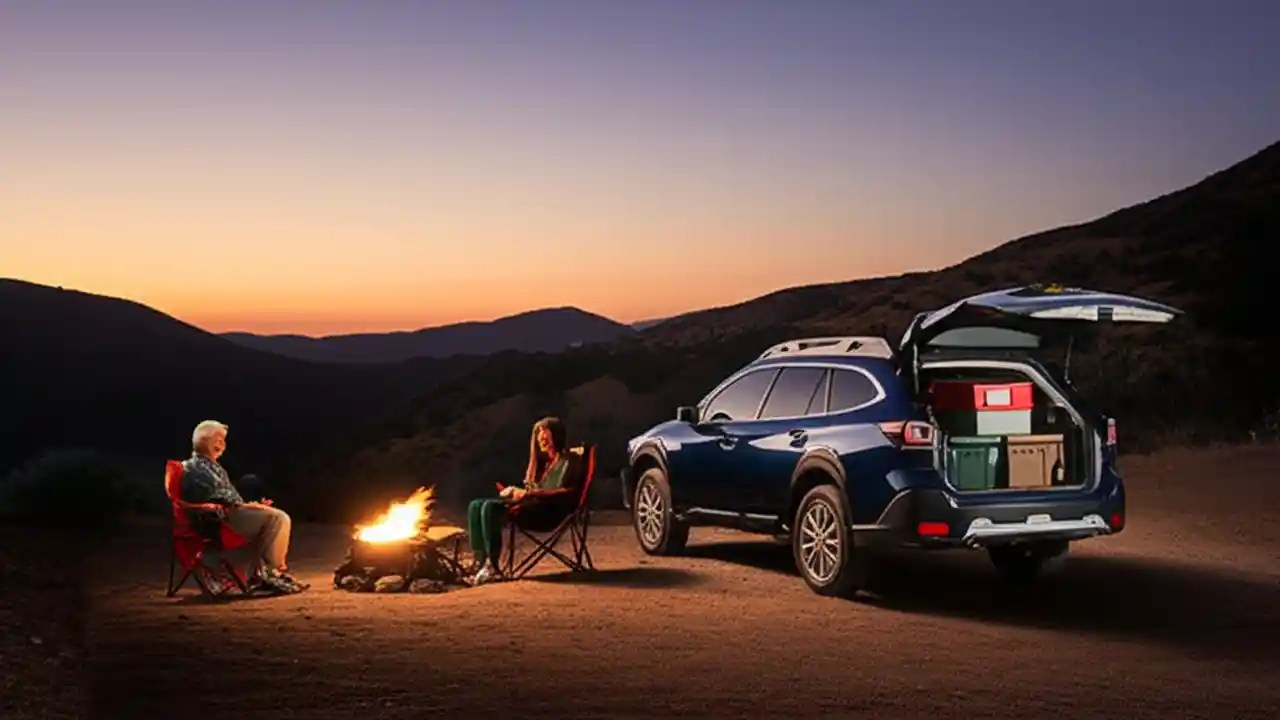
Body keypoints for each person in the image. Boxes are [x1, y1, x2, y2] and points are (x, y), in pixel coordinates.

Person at [181, 420, 307, 595]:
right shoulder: (198, 467)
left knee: (270, 518)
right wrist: (252, 508)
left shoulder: (209, 466)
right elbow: (222, 499)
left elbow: (226, 498)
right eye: (217, 439)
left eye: (223, 440)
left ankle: (262, 574)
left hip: (221, 516)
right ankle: (269, 573)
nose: (221, 444)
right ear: (203, 440)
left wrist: (253, 507)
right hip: (215, 521)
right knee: (278, 518)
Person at [466, 416, 580, 585]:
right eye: (538, 435)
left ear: (556, 436)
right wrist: (516, 490)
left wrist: (531, 493)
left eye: (545, 434)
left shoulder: (569, 460)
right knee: (475, 505)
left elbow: (567, 492)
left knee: (489, 508)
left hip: (547, 513)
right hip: (533, 504)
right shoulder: (544, 465)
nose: (541, 439)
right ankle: (479, 561)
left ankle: (492, 565)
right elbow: (530, 486)